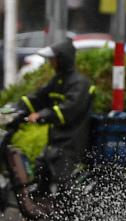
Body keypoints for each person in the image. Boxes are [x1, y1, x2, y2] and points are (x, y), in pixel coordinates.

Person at [15, 38, 92, 202]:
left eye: (53, 59)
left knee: (63, 182)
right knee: (41, 170)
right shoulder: (58, 80)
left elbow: (68, 109)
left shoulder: (79, 83)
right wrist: (16, 109)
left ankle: (74, 217)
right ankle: (38, 212)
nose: (51, 62)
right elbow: (38, 97)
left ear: (62, 59)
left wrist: (42, 115)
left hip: (72, 140)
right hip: (57, 139)